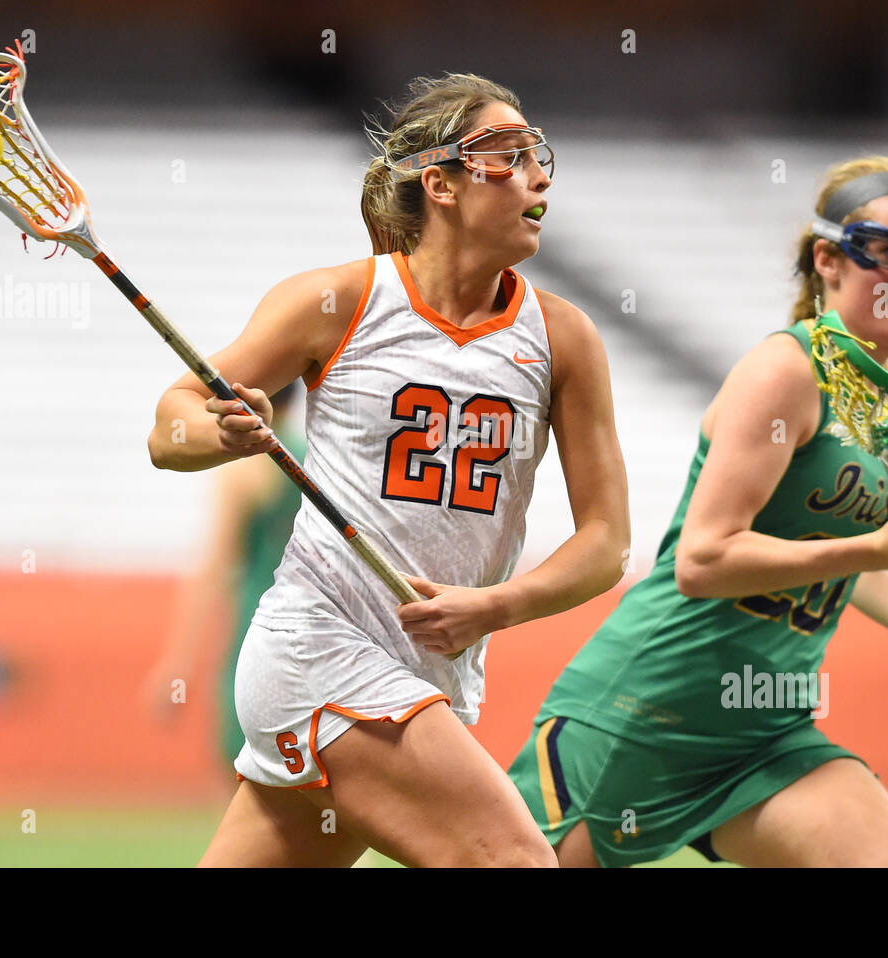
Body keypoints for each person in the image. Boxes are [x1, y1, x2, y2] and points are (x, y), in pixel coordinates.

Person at [146, 74, 630, 867]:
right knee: (515, 860)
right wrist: (219, 433)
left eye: (540, 155)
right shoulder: (336, 301)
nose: (539, 175)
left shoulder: (564, 340)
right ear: (438, 182)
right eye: (508, 156)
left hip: (426, 669)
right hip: (318, 650)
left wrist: (496, 606)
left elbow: (608, 543)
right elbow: (170, 425)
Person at [508, 155, 888, 868]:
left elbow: (839, 552)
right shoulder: (784, 373)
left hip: (766, 732)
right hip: (644, 712)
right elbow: (705, 562)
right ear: (829, 258)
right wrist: (872, 550)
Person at [143, 382, 305, 774]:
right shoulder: (313, 459)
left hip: (258, 629)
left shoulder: (244, 470)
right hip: (315, 629)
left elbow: (214, 570)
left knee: (247, 770)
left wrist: (177, 664)